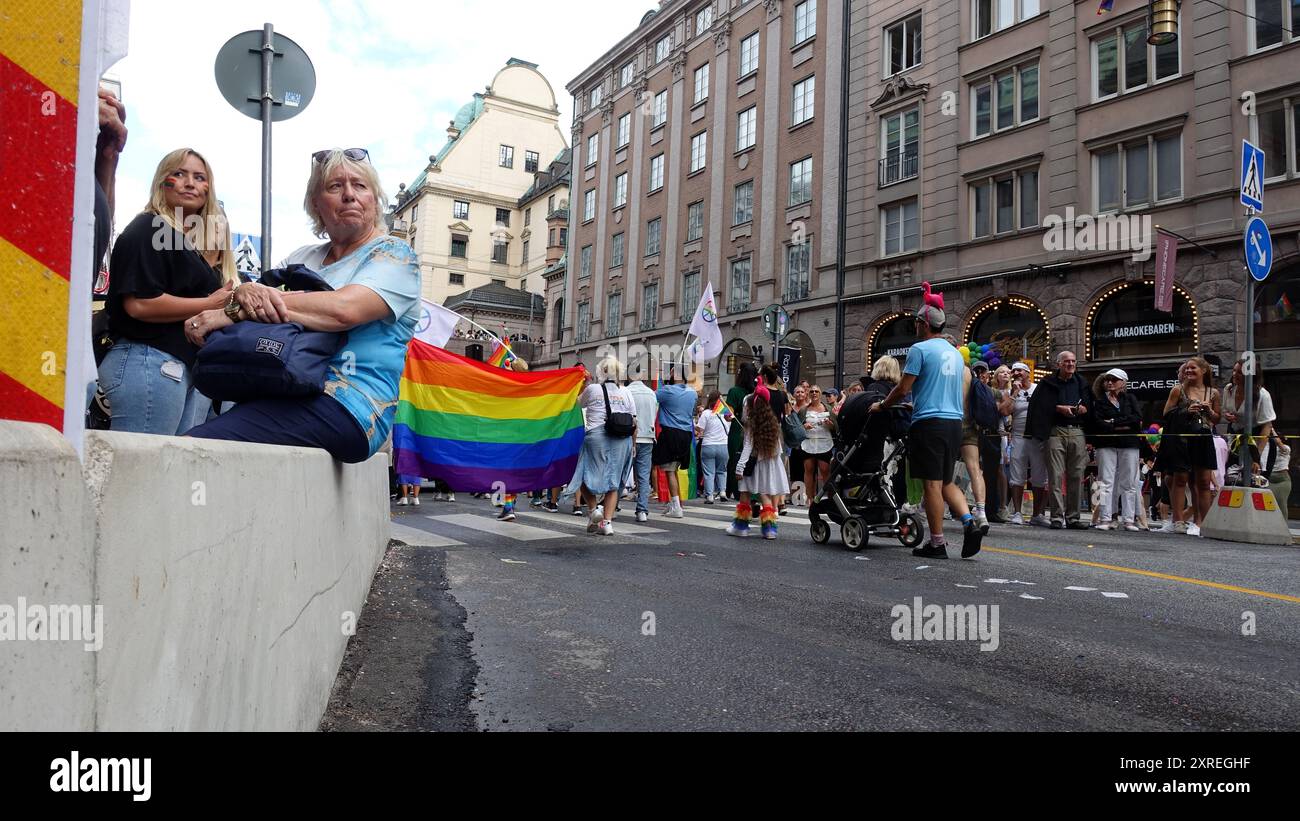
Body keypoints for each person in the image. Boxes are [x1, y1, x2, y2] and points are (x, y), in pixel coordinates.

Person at [185, 148, 419, 463]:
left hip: (351, 406)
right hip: (279, 390)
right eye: (335, 186)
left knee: (194, 447)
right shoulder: (301, 257)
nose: (349, 195)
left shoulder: (395, 255)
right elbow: (245, 296)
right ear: (315, 205)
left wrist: (236, 310)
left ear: (375, 200)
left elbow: (343, 310)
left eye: (360, 186)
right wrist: (242, 294)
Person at [100, 148, 233, 436]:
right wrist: (210, 303)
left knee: (162, 471)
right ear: (163, 181)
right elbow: (140, 305)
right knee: (141, 470)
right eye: (179, 174)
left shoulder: (179, 242)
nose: (189, 183)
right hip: (148, 361)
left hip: (173, 369)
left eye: (199, 177)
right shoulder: (148, 226)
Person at [871, 284, 983, 559]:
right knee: (945, 480)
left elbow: (903, 388)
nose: (915, 327)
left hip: (929, 422)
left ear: (923, 324)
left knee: (931, 485)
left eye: (916, 322)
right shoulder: (955, 355)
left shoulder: (919, 350)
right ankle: (970, 523)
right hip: (953, 422)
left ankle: (937, 543)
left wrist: (883, 405)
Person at [567, 356, 636, 536]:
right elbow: (634, 421)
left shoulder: (593, 389)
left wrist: (581, 382)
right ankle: (607, 523)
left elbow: (575, 403)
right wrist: (633, 446)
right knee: (613, 482)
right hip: (622, 439)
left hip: (596, 435)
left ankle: (593, 510)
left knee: (582, 474)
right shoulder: (627, 392)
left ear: (602, 372)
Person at [1026, 351, 1093, 529]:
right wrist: (1058, 408)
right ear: (1059, 364)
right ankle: (1056, 517)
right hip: (1055, 431)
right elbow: (1038, 407)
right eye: (1066, 361)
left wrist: (1083, 409)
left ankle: (1073, 517)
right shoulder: (1047, 383)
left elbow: (1089, 406)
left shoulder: (1081, 382)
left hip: (1077, 430)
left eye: (1073, 361)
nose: (1070, 364)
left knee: (1076, 475)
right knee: (1055, 475)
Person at [1156, 357, 1221, 535]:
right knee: (1180, 479)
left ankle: (1202, 523)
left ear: (1204, 371)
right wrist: (1186, 411)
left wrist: (1209, 411)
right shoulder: (1178, 390)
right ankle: (1178, 520)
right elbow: (1166, 413)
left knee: (1203, 482)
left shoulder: (1213, 392)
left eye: (1193, 368)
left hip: (1204, 437)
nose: (1188, 371)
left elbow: (1217, 419)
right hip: (1182, 439)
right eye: (1187, 369)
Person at [729, 384, 790, 539]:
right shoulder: (773, 423)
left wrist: (739, 467)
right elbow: (778, 449)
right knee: (765, 494)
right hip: (769, 464)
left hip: (753, 464)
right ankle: (769, 529)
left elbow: (747, 447)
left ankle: (741, 527)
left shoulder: (751, 423)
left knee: (745, 492)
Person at [1089, 368, 1143, 531]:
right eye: (1107, 379)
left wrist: (1112, 422)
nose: (1110, 382)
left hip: (1129, 443)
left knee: (1129, 481)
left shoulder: (1130, 398)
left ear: (1123, 382)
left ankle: (1129, 519)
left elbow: (1137, 419)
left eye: (1114, 379)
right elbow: (1098, 422)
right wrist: (1121, 424)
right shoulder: (1099, 401)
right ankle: (1105, 518)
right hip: (1106, 443)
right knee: (1105, 480)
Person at [1006, 362, 1049, 526]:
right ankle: (1017, 512)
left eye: (1020, 370)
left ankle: (1037, 514)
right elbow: (1005, 411)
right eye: (1014, 370)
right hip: (1018, 436)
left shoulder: (1038, 388)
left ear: (1028, 372)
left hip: (1037, 436)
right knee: (1017, 475)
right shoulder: (1011, 391)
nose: (1016, 373)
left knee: (1040, 476)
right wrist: (1014, 392)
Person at [653, 366, 697, 518]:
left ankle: (677, 507)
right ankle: (673, 503)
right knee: (676, 468)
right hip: (686, 434)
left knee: (670, 471)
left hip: (670, 433)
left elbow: (652, 397)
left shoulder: (667, 390)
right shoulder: (693, 393)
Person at [960, 360, 993, 530]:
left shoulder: (950, 369)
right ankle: (981, 513)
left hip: (951, 424)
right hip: (970, 425)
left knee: (942, 469)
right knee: (974, 469)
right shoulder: (969, 373)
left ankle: (923, 508)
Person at [626, 375, 660, 522]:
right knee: (643, 476)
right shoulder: (651, 393)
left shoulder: (627, 391)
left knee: (622, 472)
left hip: (629, 437)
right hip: (648, 436)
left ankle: (612, 506)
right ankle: (642, 510)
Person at [726, 362, 759, 500]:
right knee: (753, 462)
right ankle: (753, 492)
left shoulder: (734, 391)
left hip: (738, 430)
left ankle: (735, 490)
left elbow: (729, 415)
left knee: (735, 459)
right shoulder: (757, 392)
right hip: (756, 430)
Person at [800, 385, 835, 503]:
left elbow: (836, 427)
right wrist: (803, 426)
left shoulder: (828, 409)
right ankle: (810, 499)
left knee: (825, 470)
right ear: (809, 394)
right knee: (808, 469)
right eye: (812, 391)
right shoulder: (804, 410)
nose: (814, 393)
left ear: (820, 394)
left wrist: (830, 424)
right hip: (808, 443)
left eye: (816, 391)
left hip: (824, 442)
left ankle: (830, 498)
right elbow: (797, 426)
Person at [696, 391, 731, 503]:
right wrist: (724, 404)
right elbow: (731, 419)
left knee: (709, 472)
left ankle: (709, 495)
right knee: (722, 470)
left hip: (708, 446)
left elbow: (700, 430)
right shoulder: (725, 413)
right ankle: (722, 492)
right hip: (723, 446)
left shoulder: (706, 413)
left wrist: (694, 427)